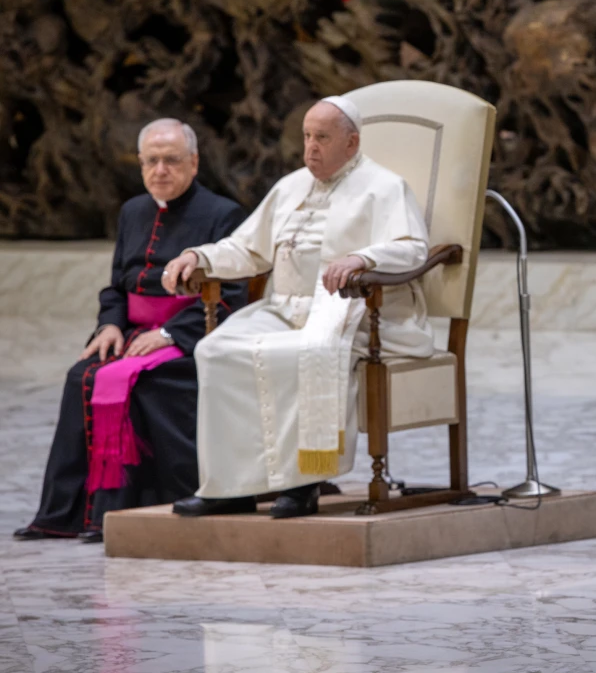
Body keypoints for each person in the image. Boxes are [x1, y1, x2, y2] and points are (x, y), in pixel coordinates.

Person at [161, 96, 433, 519]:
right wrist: (200, 257)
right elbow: (247, 248)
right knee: (214, 350)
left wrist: (364, 258)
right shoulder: (289, 186)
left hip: (347, 311)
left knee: (305, 352)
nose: (310, 148)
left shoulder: (384, 187)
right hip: (283, 308)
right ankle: (229, 487)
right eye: (307, 137)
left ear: (352, 142)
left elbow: (414, 249)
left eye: (322, 138)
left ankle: (303, 483)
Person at [14, 120, 247, 544]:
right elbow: (118, 286)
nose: (161, 169)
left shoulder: (223, 213)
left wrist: (172, 335)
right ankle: (66, 516)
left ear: (193, 163)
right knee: (81, 375)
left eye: (172, 160)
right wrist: (109, 324)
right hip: (135, 331)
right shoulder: (132, 211)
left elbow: (232, 292)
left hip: (192, 335)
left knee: (143, 380)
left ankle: (132, 510)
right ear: (140, 165)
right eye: (151, 161)